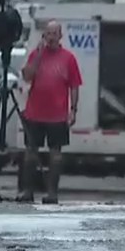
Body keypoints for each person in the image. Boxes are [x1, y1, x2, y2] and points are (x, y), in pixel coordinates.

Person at [18, 20, 81, 204]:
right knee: (30, 152)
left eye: (55, 34)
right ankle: (27, 191)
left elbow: (74, 86)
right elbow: (27, 76)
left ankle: (52, 192)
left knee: (55, 154)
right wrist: (37, 56)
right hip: (35, 113)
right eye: (48, 34)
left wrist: (73, 110)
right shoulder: (35, 55)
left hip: (57, 115)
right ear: (43, 36)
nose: (51, 37)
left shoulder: (68, 58)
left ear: (60, 36)